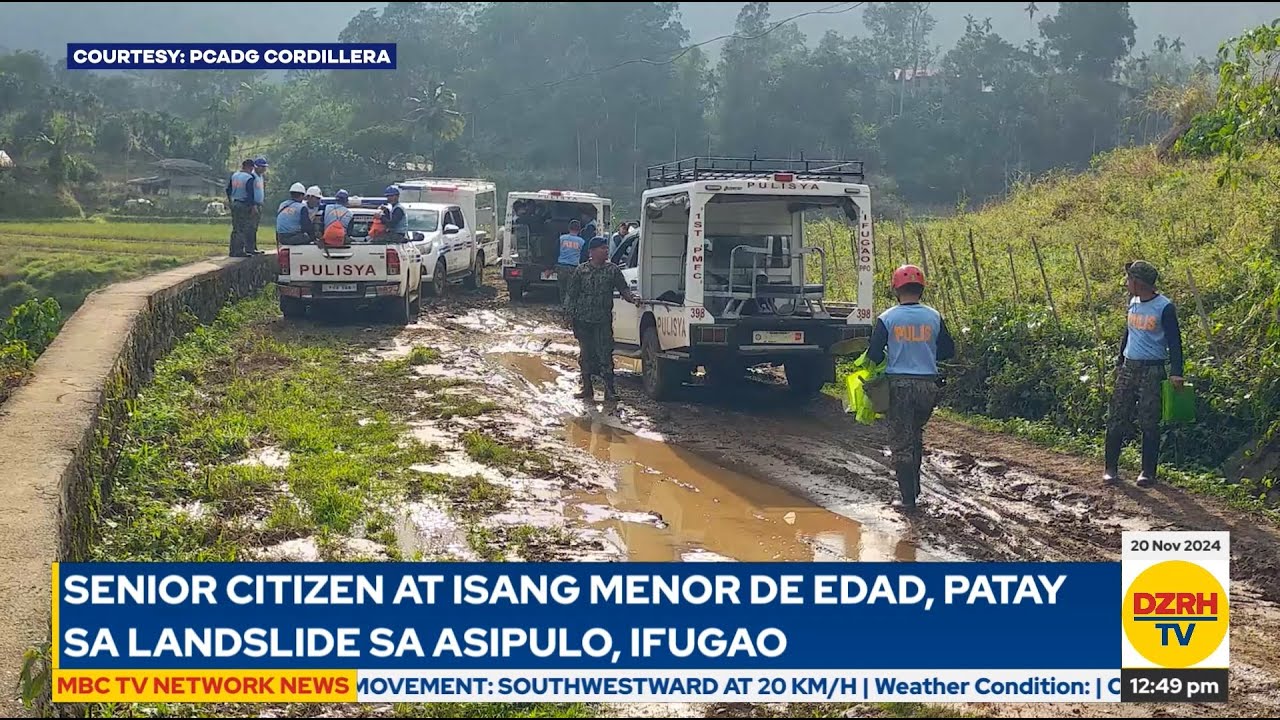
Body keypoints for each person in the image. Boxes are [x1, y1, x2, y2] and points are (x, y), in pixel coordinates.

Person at [866, 264, 956, 510]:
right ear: (921, 289)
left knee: (901, 441)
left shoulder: (888, 318)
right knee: (915, 434)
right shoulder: (934, 316)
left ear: (896, 289)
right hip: (928, 388)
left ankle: (908, 500)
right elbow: (949, 350)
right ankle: (914, 489)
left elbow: (873, 354)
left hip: (900, 386)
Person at [1104, 260, 1185, 488]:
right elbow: (1127, 334)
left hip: (1152, 369)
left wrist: (1176, 372)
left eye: (1129, 279)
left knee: (1149, 421)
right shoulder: (1133, 302)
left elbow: (1175, 342)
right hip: (1129, 366)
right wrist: (1120, 361)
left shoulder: (1164, 307)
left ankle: (1147, 472)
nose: (1126, 282)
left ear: (1139, 283)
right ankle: (1111, 468)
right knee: (1117, 416)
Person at [565, 235, 641, 401]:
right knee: (586, 355)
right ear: (592, 251)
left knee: (605, 354)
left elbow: (624, 290)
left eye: (606, 248)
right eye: (602, 248)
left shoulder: (612, 270)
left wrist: (633, 298)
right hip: (583, 320)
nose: (606, 251)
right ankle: (587, 388)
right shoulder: (581, 270)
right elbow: (572, 295)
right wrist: (569, 315)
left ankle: (610, 390)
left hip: (603, 321)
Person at [225, 159, 257, 257]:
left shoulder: (234, 175)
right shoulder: (249, 177)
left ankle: (232, 250)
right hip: (244, 205)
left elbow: (228, 189)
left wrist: (230, 201)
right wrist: (253, 207)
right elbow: (250, 194)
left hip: (235, 203)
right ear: (250, 167)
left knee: (235, 228)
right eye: (252, 168)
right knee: (242, 228)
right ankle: (239, 251)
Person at [556, 219, 586, 310]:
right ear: (579, 229)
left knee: (562, 289)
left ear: (569, 228)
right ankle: (567, 308)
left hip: (561, 266)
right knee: (570, 289)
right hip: (573, 267)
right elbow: (584, 255)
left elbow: (555, 251)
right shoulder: (581, 241)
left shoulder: (562, 238)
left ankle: (563, 306)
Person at [246, 156, 268, 255]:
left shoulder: (261, 177)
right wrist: (253, 205)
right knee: (251, 227)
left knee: (255, 228)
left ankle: (253, 247)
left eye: (265, 167)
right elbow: (250, 192)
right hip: (253, 205)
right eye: (262, 167)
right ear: (256, 166)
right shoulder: (252, 176)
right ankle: (250, 248)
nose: (264, 169)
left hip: (259, 204)